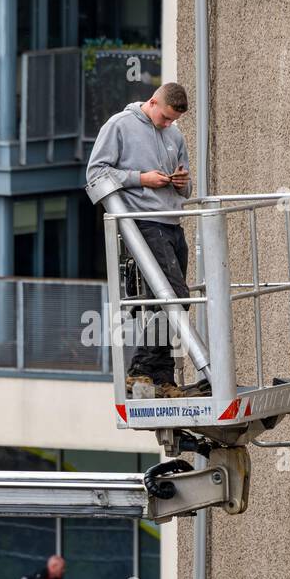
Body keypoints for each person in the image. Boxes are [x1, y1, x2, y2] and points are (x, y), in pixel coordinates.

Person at [87, 82, 209, 399]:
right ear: (153, 102)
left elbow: (187, 188)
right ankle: (142, 367)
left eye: (172, 121)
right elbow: (95, 174)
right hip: (144, 222)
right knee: (175, 297)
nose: (168, 125)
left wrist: (181, 182)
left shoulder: (174, 135)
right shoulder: (119, 126)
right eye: (165, 118)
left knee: (162, 302)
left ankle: (160, 375)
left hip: (172, 223)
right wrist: (141, 178)